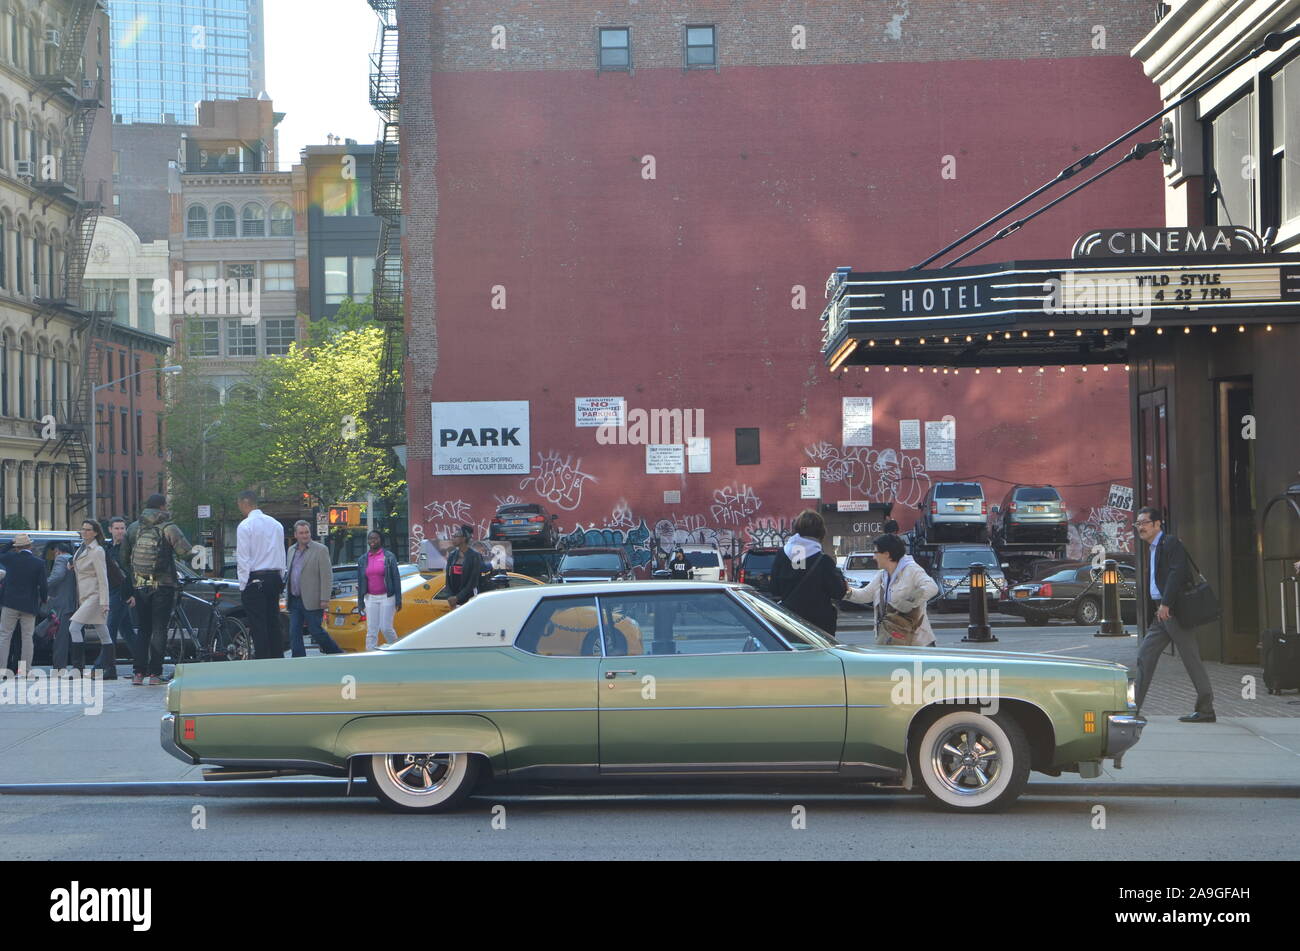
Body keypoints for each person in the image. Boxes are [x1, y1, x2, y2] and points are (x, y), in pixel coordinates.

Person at [1132, 507, 1216, 722]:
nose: (1140, 527)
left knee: (1191, 659)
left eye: (1144, 522)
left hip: (1173, 611)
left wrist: (1166, 603)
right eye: (1138, 523)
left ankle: (1206, 709)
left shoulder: (1169, 543)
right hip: (1161, 613)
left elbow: (1177, 573)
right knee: (1145, 655)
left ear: (1157, 524)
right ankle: (1132, 709)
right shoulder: (1152, 548)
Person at [124, 494, 194, 686]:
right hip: (163, 585)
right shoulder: (169, 528)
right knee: (159, 629)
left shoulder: (133, 528)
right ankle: (155, 674)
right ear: (162, 507)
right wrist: (197, 553)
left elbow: (124, 558)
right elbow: (185, 552)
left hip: (140, 585)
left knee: (143, 630)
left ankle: (138, 673)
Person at [844, 534, 940, 646]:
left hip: (917, 644)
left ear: (887, 554)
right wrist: (847, 592)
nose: (873, 557)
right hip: (892, 640)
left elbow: (932, 587)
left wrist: (907, 603)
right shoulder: (881, 575)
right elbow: (865, 594)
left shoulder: (912, 570)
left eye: (876, 552)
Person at [770, 509, 850, 635]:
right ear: (821, 532)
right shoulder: (823, 561)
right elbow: (838, 592)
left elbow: (774, 588)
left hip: (790, 623)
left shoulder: (782, 555)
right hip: (819, 627)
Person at [235, 490, 287, 660]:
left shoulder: (245, 526)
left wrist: (243, 585)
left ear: (244, 503)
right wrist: (281, 576)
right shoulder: (276, 524)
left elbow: (243, 559)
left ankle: (263, 661)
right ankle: (277, 658)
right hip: (274, 577)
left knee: (258, 624)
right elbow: (281, 554)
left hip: (255, 578)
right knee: (273, 621)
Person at [284, 520, 343, 657]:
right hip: (294, 599)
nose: (305, 535)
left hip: (313, 599)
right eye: (301, 533)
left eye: (307, 532)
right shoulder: (291, 550)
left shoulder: (320, 550)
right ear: (296, 535)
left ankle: (337, 654)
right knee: (294, 632)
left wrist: (325, 598)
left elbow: (326, 576)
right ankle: (299, 661)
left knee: (316, 631)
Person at [91, 516, 137, 676]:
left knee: (109, 630)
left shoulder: (129, 549)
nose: (120, 531)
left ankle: (101, 666)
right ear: (110, 530)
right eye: (117, 528)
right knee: (127, 632)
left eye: (122, 528)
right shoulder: (106, 548)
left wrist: (132, 593)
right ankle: (144, 661)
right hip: (109, 592)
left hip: (122, 593)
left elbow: (133, 573)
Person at [68, 520, 113, 678]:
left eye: (88, 530)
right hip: (85, 595)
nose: (84, 532)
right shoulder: (81, 547)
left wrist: (104, 602)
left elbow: (103, 578)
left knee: (74, 628)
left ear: (95, 533)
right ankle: (111, 670)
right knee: (103, 632)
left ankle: (77, 669)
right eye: (83, 529)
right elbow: (80, 565)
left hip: (94, 596)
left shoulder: (97, 550)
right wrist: (72, 565)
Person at [0, 534, 49, 676]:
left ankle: (2, 670)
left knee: (4, 636)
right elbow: (43, 586)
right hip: (29, 605)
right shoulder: (38, 563)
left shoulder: (10, 559)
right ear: (30, 546)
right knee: (27, 637)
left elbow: (1, 553)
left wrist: (10, 543)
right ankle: (25, 671)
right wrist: (44, 599)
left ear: (17, 548)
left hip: (10, 604)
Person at [356, 530, 402, 649]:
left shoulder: (389, 557)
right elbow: (361, 581)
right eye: (370, 538)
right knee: (371, 631)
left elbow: (396, 578)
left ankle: (396, 650)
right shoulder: (362, 559)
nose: (373, 541)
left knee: (386, 628)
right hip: (370, 597)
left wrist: (398, 599)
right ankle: (370, 656)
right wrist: (360, 601)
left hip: (387, 597)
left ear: (381, 540)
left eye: (375, 538)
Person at [47, 542, 78, 671]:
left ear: (58, 552)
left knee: (60, 639)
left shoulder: (61, 559)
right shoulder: (73, 559)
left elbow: (57, 576)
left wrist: (42, 586)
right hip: (72, 603)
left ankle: (59, 668)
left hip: (62, 604)